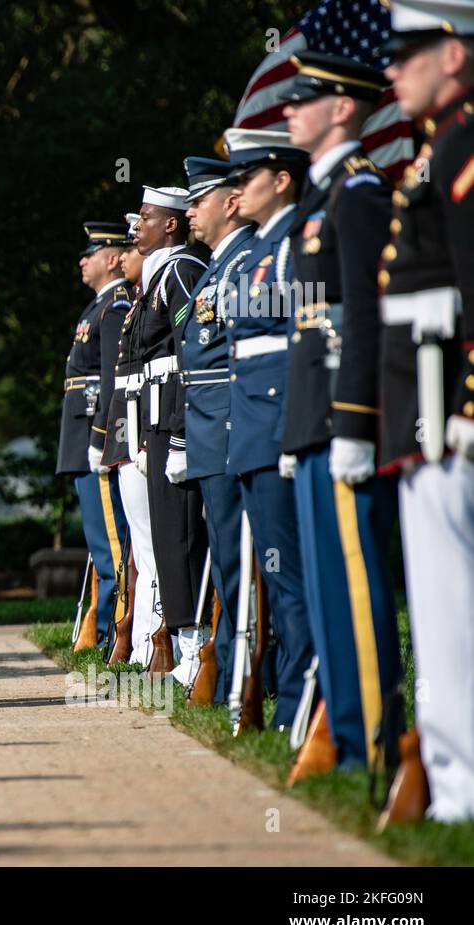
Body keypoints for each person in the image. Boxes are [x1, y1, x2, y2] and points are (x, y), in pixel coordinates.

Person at [280, 51, 401, 773]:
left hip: (343, 424)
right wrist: (301, 426)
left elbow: (365, 320)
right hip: (314, 423)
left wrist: (354, 421)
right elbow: (308, 330)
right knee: (327, 588)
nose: (290, 110)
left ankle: (377, 740)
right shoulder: (320, 199)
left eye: (306, 99)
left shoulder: (358, 195)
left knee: (355, 588)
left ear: (345, 108)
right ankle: (348, 735)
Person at [378, 0, 474, 822]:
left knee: (451, 605)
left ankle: (462, 783)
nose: (391, 71)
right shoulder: (437, 149)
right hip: (423, 411)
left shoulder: (464, 146)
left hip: (452, 411)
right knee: (439, 606)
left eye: (407, 55)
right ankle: (451, 778)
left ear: (452, 52)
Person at [223, 127, 315, 729]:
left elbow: (303, 341)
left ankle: (301, 703)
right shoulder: (257, 249)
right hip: (250, 429)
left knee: (290, 578)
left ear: (281, 180)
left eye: (247, 180)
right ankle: (290, 695)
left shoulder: (294, 244)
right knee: (271, 579)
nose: (236, 193)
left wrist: (292, 428)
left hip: (278, 424)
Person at [180, 156, 253, 697]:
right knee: (227, 559)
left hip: (229, 428)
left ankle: (245, 671)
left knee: (241, 560)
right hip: (209, 431)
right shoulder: (216, 266)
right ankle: (231, 667)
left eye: (198, 201)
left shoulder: (244, 260)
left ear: (230, 203)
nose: (189, 211)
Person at [131, 185, 208, 676]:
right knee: (164, 536)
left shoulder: (181, 271)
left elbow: (189, 354)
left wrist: (180, 435)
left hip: (175, 419)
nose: (137, 225)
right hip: (157, 419)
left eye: (147, 216)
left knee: (181, 535)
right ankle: (183, 641)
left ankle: (195, 644)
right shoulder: (158, 275)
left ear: (172, 224)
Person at [95, 215, 161, 662]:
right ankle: (140, 639)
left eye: (130, 251)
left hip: (145, 431)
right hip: (130, 432)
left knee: (150, 543)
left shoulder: (137, 298)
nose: (122, 258)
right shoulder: (134, 301)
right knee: (140, 543)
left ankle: (155, 637)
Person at [65, 223, 131, 644]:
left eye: (92, 252)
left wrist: (101, 438)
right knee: (99, 539)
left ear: (112, 258)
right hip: (82, 432)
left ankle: (113, 631)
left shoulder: (116, 305)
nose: (82, 260)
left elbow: (111, 380)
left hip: (95, 433)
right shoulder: (100, 306)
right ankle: (104, 626)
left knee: (111, 545)